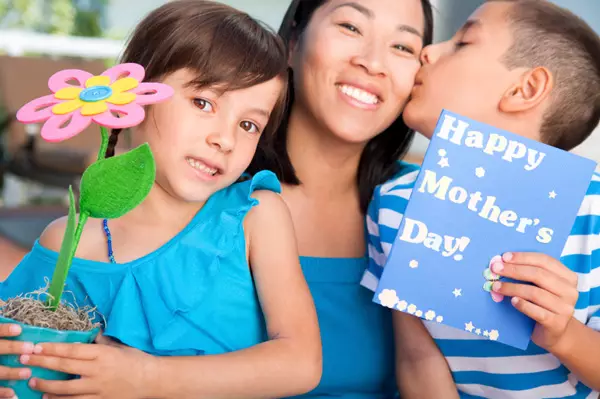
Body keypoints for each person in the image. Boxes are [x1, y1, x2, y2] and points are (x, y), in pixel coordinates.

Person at [0, 1, 322, 398]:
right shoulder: (70, 240)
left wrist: (147, 378)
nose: (225, 139)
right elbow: (20, 348)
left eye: (248, 124)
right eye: (204, 103)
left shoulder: (253, 218)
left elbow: (301, 362)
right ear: (136, 94)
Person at [362, 0, 600, 397]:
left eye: (462, 43)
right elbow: (419, 358)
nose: (428, 50)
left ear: (525, 89)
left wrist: (563, 334)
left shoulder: (595, 208)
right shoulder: (392, 206)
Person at [247, 0, 434, 397]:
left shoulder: (430, 207)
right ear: (293, 42)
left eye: (402, 47)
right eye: (350, 27)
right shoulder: (207, 188)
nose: (373, 62)